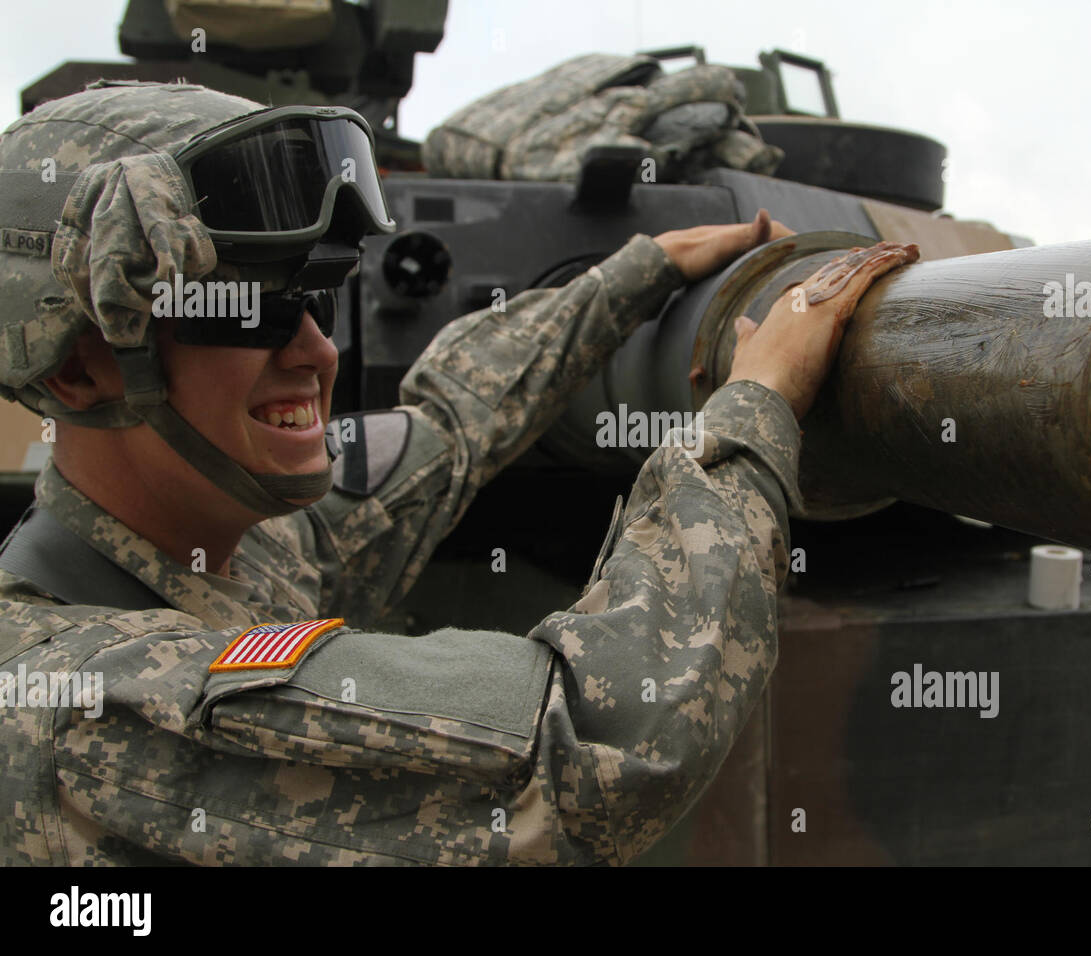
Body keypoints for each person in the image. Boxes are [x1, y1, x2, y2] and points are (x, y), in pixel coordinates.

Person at [0, 81, 917, 865]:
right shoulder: (84, 707)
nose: (315, 349)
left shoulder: (239, 546)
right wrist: (752, 410)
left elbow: (448, 422)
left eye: (316, 294)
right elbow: (598, 743)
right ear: (81, 368)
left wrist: (633, 278)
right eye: (252, 311)